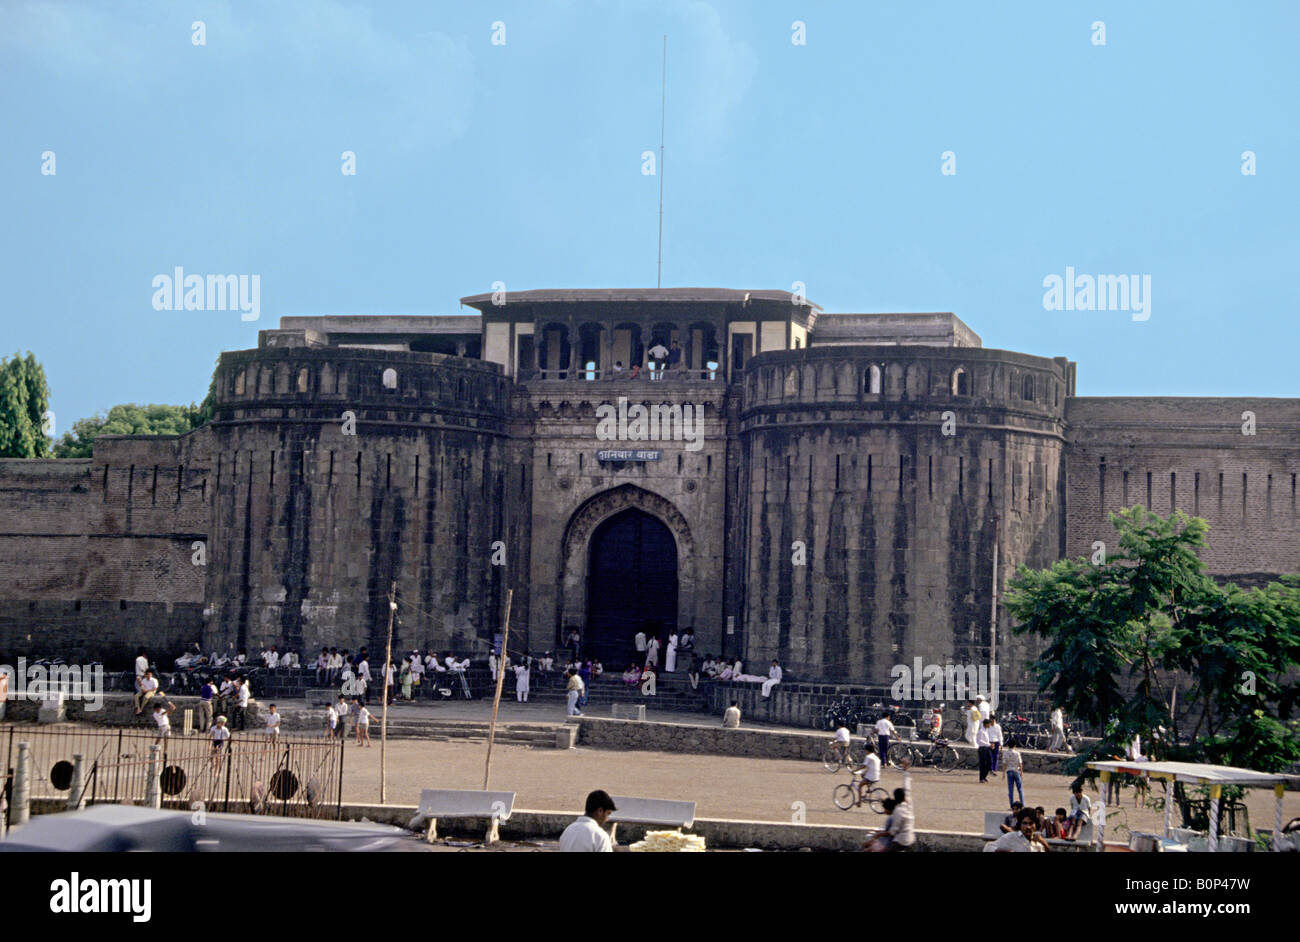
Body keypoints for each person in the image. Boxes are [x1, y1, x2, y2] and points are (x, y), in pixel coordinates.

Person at [984, 809, 1051, 852]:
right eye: (1025, 823)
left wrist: (1043, 842)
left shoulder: (1039, 841)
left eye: (1031, 823)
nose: (1028, 827)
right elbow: (988, 848)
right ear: (1020, 825)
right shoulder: (1011, 837)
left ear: (1035, 824)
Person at [1003, 738, 1025, 807]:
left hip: (1009, 771)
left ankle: (1012, 805)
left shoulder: (1005, 753)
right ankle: (1022, 804)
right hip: (1016, 770)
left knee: (1010, 790)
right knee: (1020, 789)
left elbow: (1004, 763)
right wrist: (1021, 772)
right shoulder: (1017, 753)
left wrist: (1003, 773)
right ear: (1015, 745)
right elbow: (1020, 763)